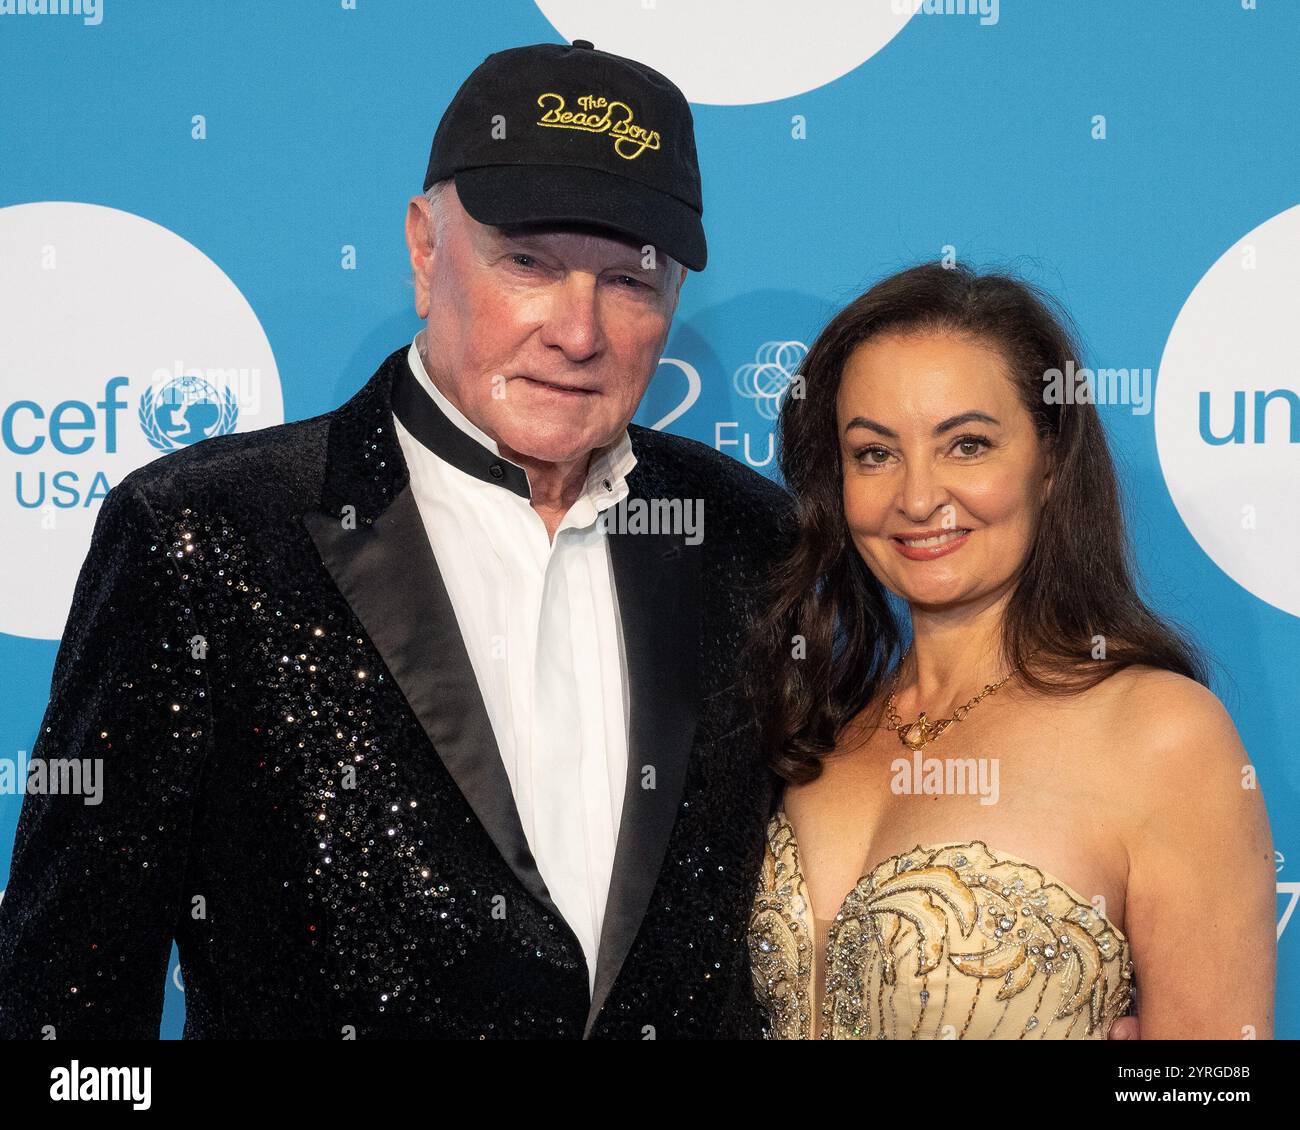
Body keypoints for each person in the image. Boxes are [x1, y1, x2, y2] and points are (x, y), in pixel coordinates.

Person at [0, 40, 789, 1039]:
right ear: (424, 249)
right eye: (529, 264)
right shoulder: (202, 535)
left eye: (629, 281)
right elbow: (65, 1004)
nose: (577, 332)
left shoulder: (754, 539)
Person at [745, 262, 1275, 1039]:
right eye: (874, 453)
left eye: (966, 445)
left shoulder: (1161, 734)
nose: (918, 497)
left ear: (1050, 461)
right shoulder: (818, 727)